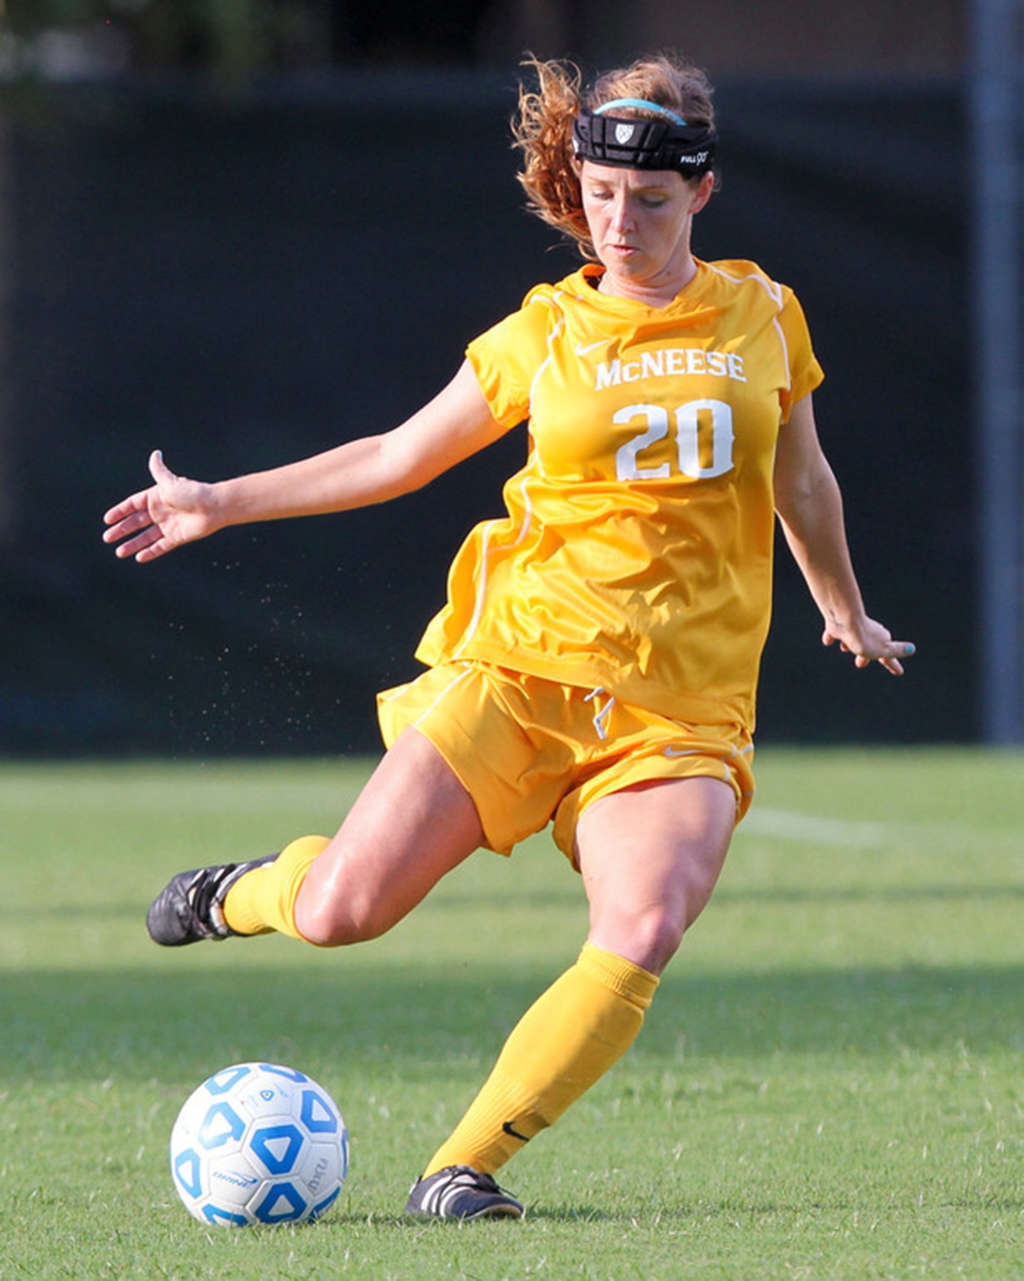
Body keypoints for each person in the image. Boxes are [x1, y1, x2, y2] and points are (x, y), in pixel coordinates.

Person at [103, 54, 914, 1221]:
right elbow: (395, 457)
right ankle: (246, 891)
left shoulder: (763, 313)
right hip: (522, 672)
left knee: (640, 928)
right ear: (574, 187)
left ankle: (462, 1167)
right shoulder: (545, 331)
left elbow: (804, 478)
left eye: (648, 199)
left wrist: (840, 607)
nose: (619, 221)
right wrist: (219, 500)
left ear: (702, 192)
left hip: (679, 708)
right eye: (597, 194)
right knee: (341, 913)